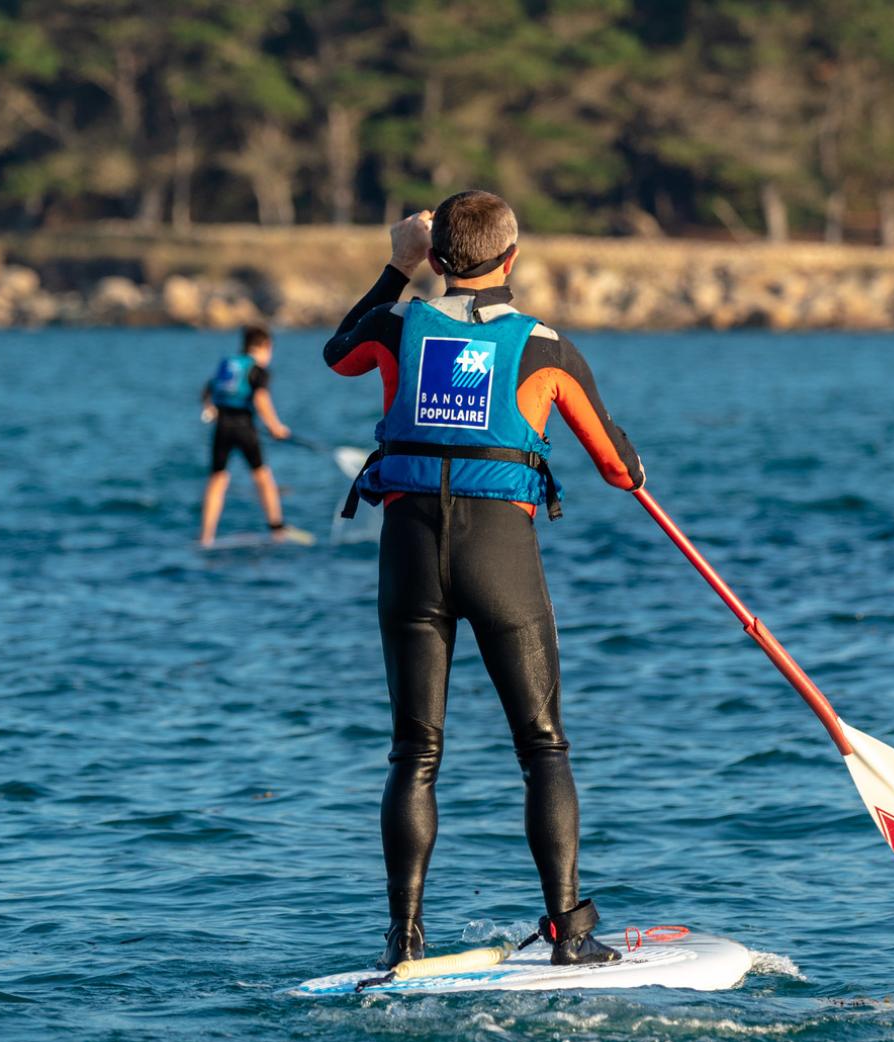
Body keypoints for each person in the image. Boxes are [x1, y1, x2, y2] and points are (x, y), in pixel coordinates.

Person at [323, 191, 646, 969]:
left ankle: (403, 938)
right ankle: (568, 932)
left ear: (435, 258)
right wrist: (630, 460)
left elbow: (337, 354)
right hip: (499, 553)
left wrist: (397, 268)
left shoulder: (396, 324)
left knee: (414, 752)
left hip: (409, 551)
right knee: (542, 748)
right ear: (513, 257)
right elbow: (618, 468)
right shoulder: (544, 346)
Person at [198, 325, 293, 547]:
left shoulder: (228, 364)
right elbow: (260, 399)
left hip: (221, 426)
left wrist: (210, 409)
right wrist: (275, 426)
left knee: (217, 479)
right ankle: (277, 529)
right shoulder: (257, 369)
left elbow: (207, 390)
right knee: (262, 477)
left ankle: (206, 537)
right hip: (244, 426)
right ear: (265, 346)